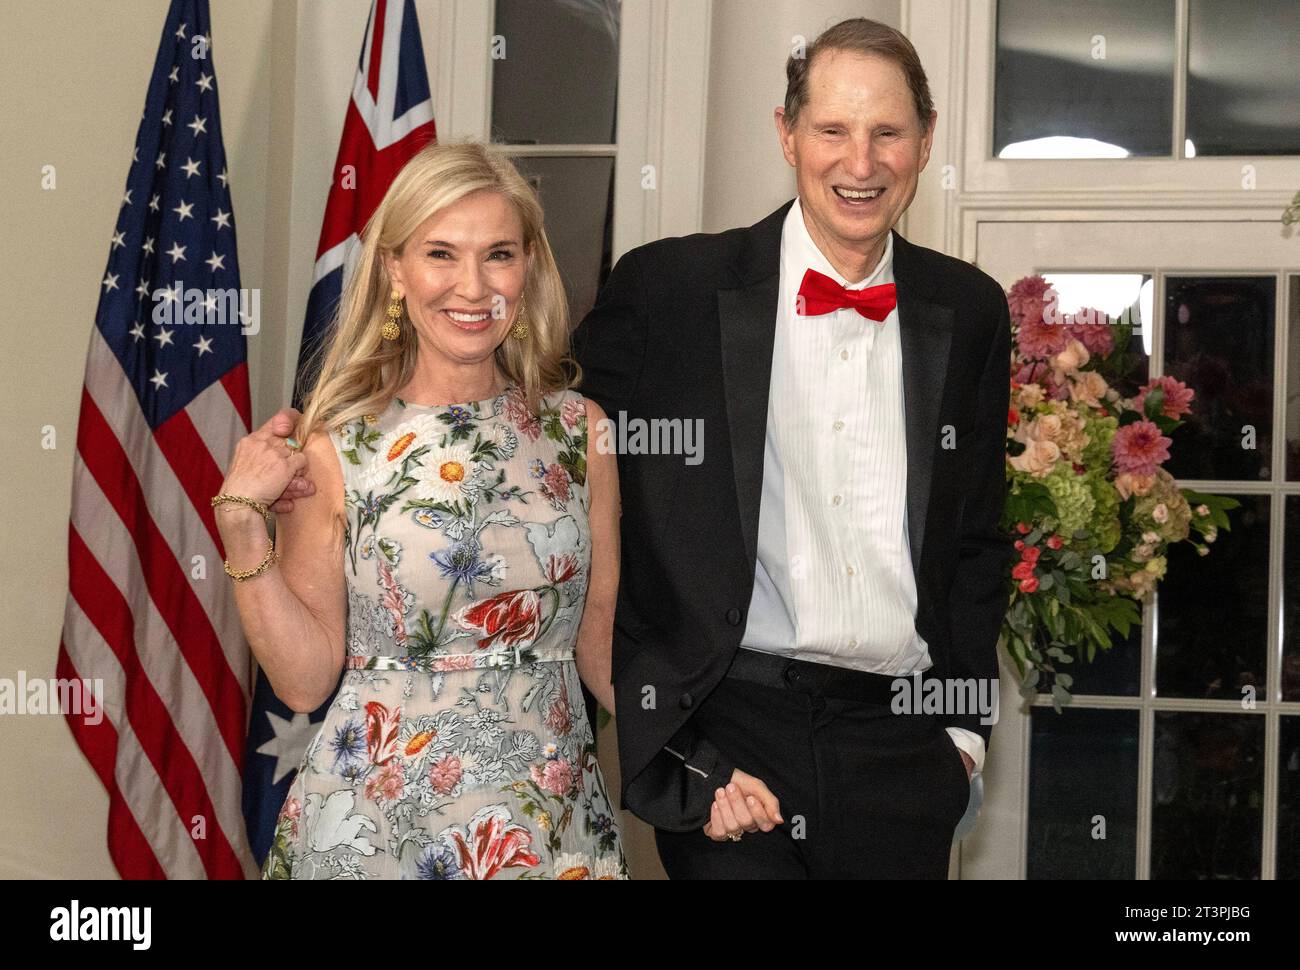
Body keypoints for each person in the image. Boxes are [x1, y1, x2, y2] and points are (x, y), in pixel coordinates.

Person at [572, 18, 1013, 878]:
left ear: (925, 142)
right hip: (731, 733)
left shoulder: (971, 311)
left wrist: (962, 739)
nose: (861, 162)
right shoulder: (670, 291)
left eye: (888, 132)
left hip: (903, 748)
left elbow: (977, 540)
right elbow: (540, 441)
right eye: (832, 131)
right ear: (786, 133)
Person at [213, 140, 628, 880]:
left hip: (551, 832)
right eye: (441, 253)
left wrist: (721, 760)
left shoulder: (580, 432)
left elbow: (604, 652)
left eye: (498, 253)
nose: (472, 286)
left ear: (528, 265)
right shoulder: (336, 444)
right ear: (395, 269)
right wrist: (244, 525)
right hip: (374, 832)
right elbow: (305, 681)